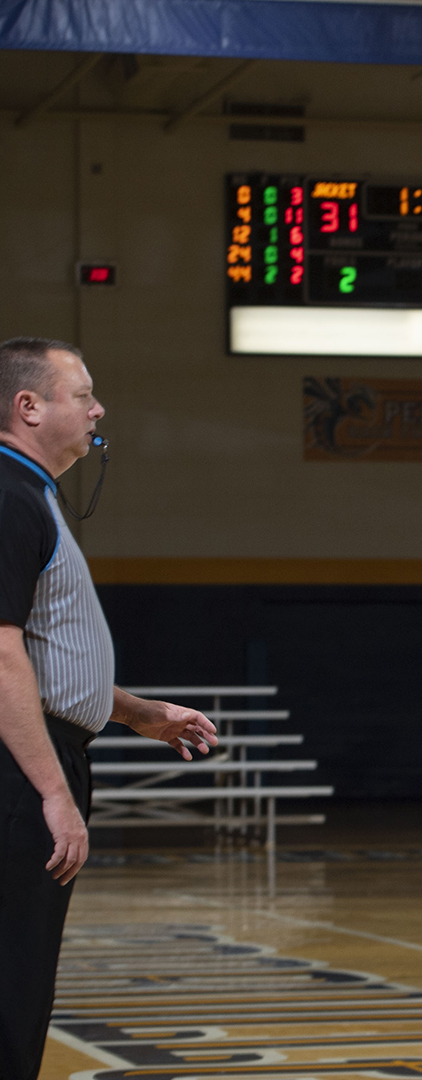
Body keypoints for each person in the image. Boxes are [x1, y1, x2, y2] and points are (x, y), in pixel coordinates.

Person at [0, 337, 219, 1078]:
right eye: (82, 394)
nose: (98, 409)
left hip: (37, 759)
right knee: (12, 981)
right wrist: (52, 794)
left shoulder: (30, 494)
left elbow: (39, 654)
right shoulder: (6, 495)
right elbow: (0, 658)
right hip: (21, 771)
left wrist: (135, 713)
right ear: (28, 407)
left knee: (23, 982)